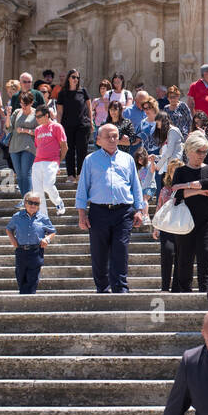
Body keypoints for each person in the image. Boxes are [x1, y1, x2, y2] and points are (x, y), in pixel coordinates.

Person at [75, 123, 145, 293]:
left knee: (120, 250)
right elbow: (83, 187)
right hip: (99, 211)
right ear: (98, 140)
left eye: (116, 136)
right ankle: (102, 287)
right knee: (99, 252)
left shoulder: (127, 159)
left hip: (123, 211)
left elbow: (135, 186)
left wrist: (139, 210)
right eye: (109, 136)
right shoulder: (90, 160)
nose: (114, 139)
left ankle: (120, 287)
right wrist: (82, 214)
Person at [171, 130, 208, 292]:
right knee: (185, 256)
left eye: (205, 151)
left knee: (206, 253)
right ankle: (184, 292)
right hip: (185, 220)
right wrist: (199, 189)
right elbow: (177, 194)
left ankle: (206, 291)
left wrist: (186, 187)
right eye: (199, 151)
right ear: (189, 151)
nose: (202, 155)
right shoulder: (180, 171)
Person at [5, 191, 55, 295]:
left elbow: (52, 231)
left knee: (32, 279)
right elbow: (9, 229)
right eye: (30, 202)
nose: (33, 205)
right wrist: (13, 239)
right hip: (21, 250)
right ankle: (23, 296)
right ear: (25, 203)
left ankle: (29, 297)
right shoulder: (17, 217)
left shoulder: (43, 218)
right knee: (20, 276)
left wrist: (47, 239)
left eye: (36, 204)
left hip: (36, 251)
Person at [152, 157, 184, 293]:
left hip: (181, 227)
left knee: (180, 257)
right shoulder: (165, 189)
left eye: (178, 171)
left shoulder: (186, 188)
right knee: (167, 254)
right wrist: (156, 227)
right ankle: (165, 286)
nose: (174, 173)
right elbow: (159, 207)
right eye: (172, 171)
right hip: (166, 227)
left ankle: (176, 287)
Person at [55, 69, 92, 183]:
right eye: (73, 77)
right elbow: (60, 112)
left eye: (77, 77)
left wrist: (91, 122)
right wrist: (58, 126)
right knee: (69, 150)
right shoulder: (62, 93)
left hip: (82, 125)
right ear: (68, 78)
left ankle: (81, 174)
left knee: (82, 150)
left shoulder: (83, 91)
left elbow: (89, 107)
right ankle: (70, 175)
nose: (75, 79)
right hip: (67, 126)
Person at [30, 106, 67, 216]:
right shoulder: (37, 130)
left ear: (47, 115)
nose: (37, 119)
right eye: (35, 117)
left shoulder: (56, 127)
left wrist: (57, 163)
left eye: (39, 116)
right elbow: (38, 146)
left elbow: (64, 146)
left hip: (51, 161)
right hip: (37, 162)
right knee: (37, 192)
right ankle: (43, 217)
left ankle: (59, 203)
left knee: (48, 186)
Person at [7, 92, 38, 199]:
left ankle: (28, 199)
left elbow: (39, 131)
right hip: (14, 147)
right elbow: (9, 128)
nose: (23, 106)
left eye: (26, 104)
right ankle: (24, 199)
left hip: (29, 147)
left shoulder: (36, 114)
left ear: (31, 103)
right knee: (19, 176)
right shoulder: (17, 112)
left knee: (26, 174)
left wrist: (25, 130)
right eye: (21, 104)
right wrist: (7, 115)